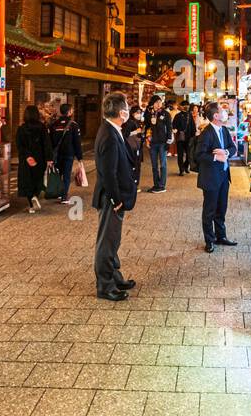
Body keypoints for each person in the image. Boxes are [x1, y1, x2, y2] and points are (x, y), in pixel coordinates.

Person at [93, 92, 138, 301]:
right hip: (111, 198)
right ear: (121, 112)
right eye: (127, 107)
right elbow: (107, 173)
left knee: (113, 240)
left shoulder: (113, 129)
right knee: (107, 242)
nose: (129, 110)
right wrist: (116, 199)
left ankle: (115, 276)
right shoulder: (109, 135)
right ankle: (105, 285)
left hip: (116, 196)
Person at [197, 101, 238, 253]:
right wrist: (215, 158)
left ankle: (221, 236)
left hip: (223, 177)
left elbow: (232, 147)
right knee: (209, 210)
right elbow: (199, 155)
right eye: (222, 110)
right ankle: (209, 240)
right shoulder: (206, 133)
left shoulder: (224, 130)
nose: (224, 113)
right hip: (210, 178)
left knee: (221, 208)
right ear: (216, 115)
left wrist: (226, 153)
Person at [15, 105, 50, 213]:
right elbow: (47, 144)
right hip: (40, 158)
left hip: (26, 159)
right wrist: (49, 158)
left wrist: (27, 156)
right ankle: (36, 195)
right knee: (38, 179)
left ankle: (31, 204)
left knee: (27, 181)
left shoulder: (21, 129)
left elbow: (19, 146)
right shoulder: (42, 128)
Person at [49, 103, 84, 203]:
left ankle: (59, 194)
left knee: (58, 173)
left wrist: (50, 155)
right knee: (67, 175)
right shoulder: (73, 125)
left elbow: (50, 141)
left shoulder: (54, 125)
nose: (72, 111)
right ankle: (64, 197)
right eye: (72, 110)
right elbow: (77, 142)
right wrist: (79, 156)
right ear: (69, 112)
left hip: (57, 154)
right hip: (69, 154)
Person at [143, 94, 173, 193]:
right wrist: (147, 139)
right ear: (153, 103)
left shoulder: (165, 114)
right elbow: (147, 127)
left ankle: (162, 185)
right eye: (156, 102)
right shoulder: (149, 113)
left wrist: (168, 142)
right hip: (153, 143)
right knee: (154, 165)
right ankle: (156, 184)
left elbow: (169, 128)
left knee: (163, 164)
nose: (158, 104)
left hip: (162, 143)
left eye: (160, 102)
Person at [172, 101, 194, 176]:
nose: (186, 107)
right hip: (180, 138)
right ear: (181, 106)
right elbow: (173, 125)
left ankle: (185, 166)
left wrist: (193, 137)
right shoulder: (177, 116)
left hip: (189, 138)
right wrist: (175, 129)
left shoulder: (190, 115)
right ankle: (181, 170)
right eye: (184, 105)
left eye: (187, 105)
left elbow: (193, 126)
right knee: (180, 155)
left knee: (189, 154)